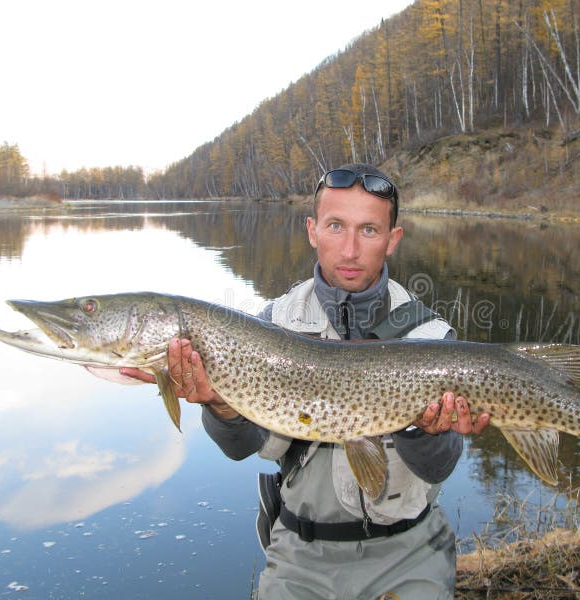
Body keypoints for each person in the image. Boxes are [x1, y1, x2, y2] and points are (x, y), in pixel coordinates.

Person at [123, 163, 490, 599]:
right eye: (336, 226)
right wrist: (219, 405)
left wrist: (420, 428)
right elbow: (240, 448)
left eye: (368, 230)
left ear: (393, 240)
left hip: (410, 552)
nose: (350, 250)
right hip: (301, 553)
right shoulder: (269, 327)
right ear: (313, 230)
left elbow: (439, 465)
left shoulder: (431, 339)